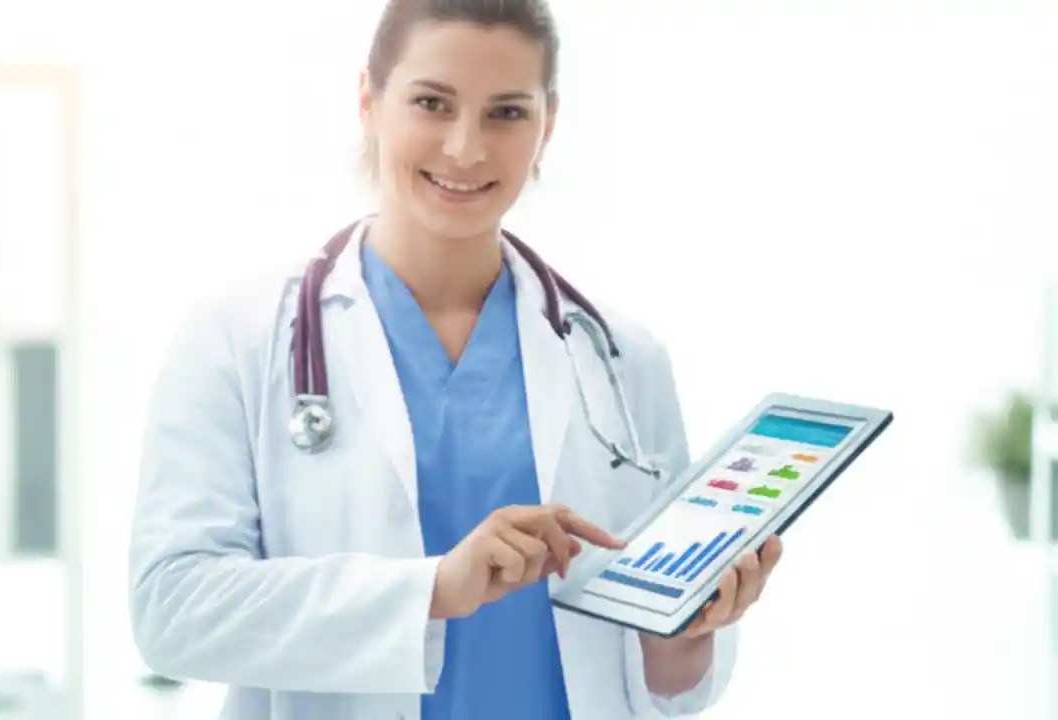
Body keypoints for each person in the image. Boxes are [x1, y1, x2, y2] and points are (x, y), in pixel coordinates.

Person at [128, 1, 783, 718]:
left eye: (506, 113)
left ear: (547, 126)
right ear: (369, 102)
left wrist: (686, 633)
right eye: (432, 103)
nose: (466, 149)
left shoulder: (623, 359)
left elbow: (657, 676)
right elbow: (171, 609)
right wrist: (434, 589)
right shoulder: (239, 339)